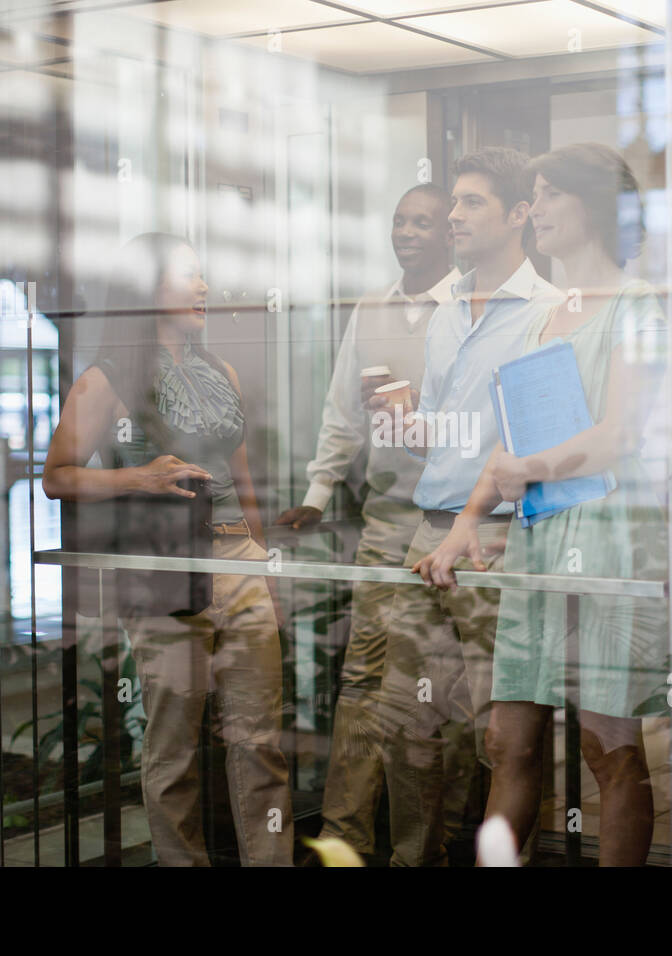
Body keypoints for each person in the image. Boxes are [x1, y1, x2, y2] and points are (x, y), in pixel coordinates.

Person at [413, 143, 669, 866]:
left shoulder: (638, 305)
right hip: (538, 542)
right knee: (508, 742)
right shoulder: (536, 319)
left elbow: (619, 433)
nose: (539, 209)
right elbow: (506, 449)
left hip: (610, 540)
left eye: (551, 194)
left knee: (610, 748)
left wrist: (533, 467)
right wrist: (464, 527)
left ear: (592, 206)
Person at [42, 232, 293, 866]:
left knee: (260, 739)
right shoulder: (107, 378)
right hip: (164, 570)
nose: (204, 287)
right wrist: (141, 477)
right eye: (189, 276)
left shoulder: (223, 370)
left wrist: (265, 565)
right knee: (175, 745)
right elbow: (57, 476)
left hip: (236, 560)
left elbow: (243, 476)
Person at [374, 147, 563, 866]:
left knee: (501, 738)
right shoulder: (448, 306)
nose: (452, 216)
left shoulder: (549, 312)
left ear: (520, 215)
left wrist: (471, 524)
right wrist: (402, 424)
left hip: (500, 540)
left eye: (472, 203)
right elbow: (447, 432)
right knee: (408, 726)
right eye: (453, 202)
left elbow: (533, 442)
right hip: (429, 532)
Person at [274, 184, 471, 856]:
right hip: (384, 524)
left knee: (428, 698)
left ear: (449, 234)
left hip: (450, 532)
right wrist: (319, 492)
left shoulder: (471, 307)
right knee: (362, 680)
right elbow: (341, 412)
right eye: (400, 221)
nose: (408, 232)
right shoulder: (371, 306)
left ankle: (422, 850)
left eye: (424, 222)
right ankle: (343, 842)